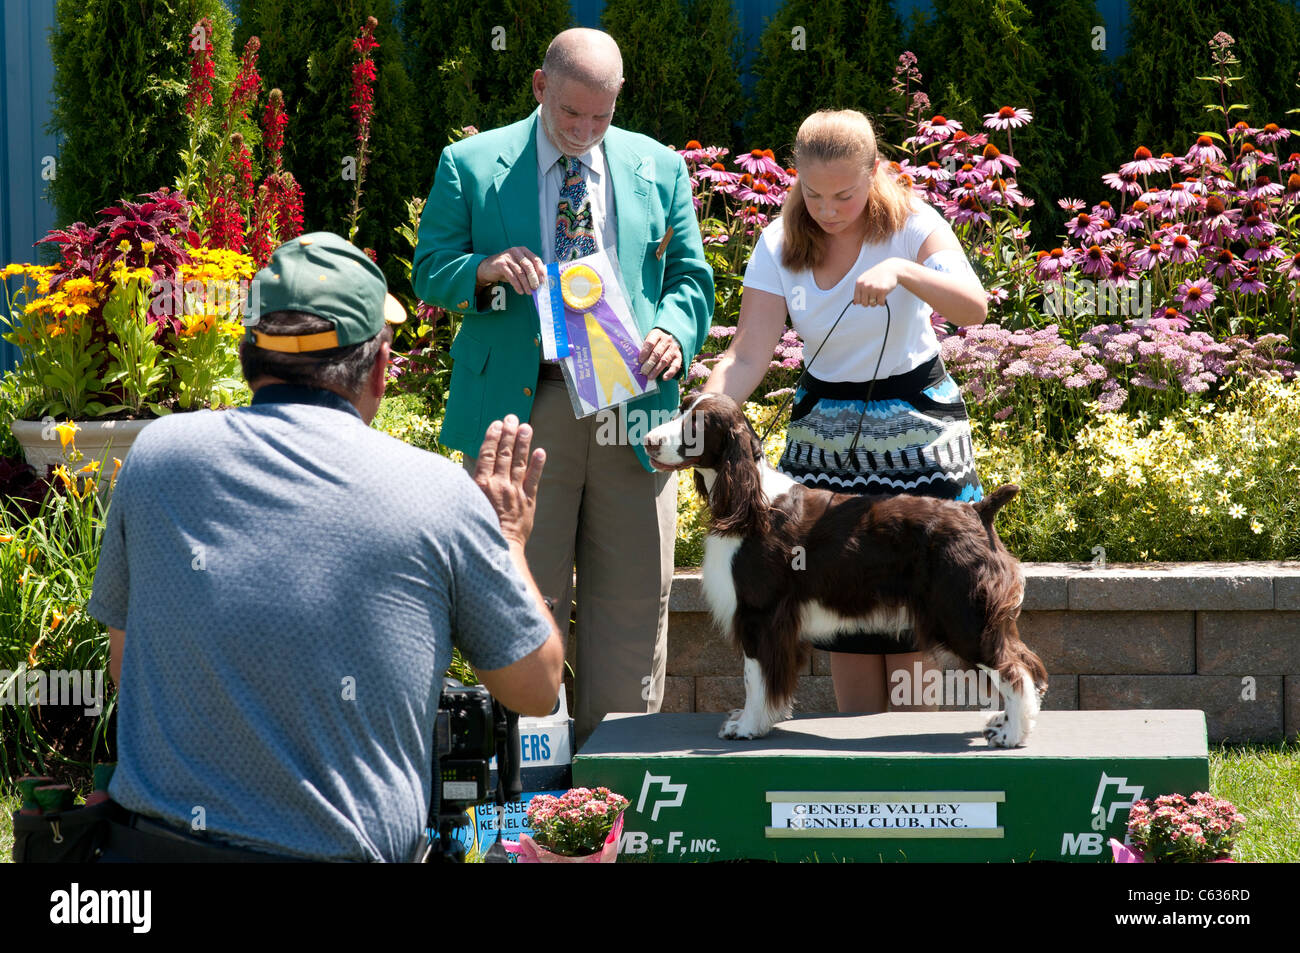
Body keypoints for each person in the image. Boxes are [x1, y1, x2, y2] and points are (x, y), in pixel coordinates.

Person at [87, 232, 564, 862]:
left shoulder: (156, 456)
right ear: (380, 368)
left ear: (249, 355)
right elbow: (536, 688)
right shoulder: (437, 493)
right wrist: (507, 539)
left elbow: (127, 666)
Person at [412, 28, 713, 745]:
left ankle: (618, 775)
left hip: (631, 412)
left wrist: (674, 332)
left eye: (600, 116)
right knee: (522, 594)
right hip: (522, 411)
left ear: (618, 99)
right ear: (540, 86)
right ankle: (525, 778)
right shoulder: (470, 163)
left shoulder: (660, 166)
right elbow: (430, 270)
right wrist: (483, 270)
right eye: (570, 112)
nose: (583, 130)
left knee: (634, 601)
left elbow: (691, 279)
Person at [701, 109, 988, 714]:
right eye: (813, 194)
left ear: (875, 172)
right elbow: (747, 353)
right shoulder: (777, 243)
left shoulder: (914, 224)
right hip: (825, 445)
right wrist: (708, 410)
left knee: (917, 611)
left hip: (918, 439)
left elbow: (973, 307)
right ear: (796, 179)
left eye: (844, 195)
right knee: (842, 613)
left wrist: (903, 270)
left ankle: (914, 761)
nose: (828, 210)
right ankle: (856, 759)